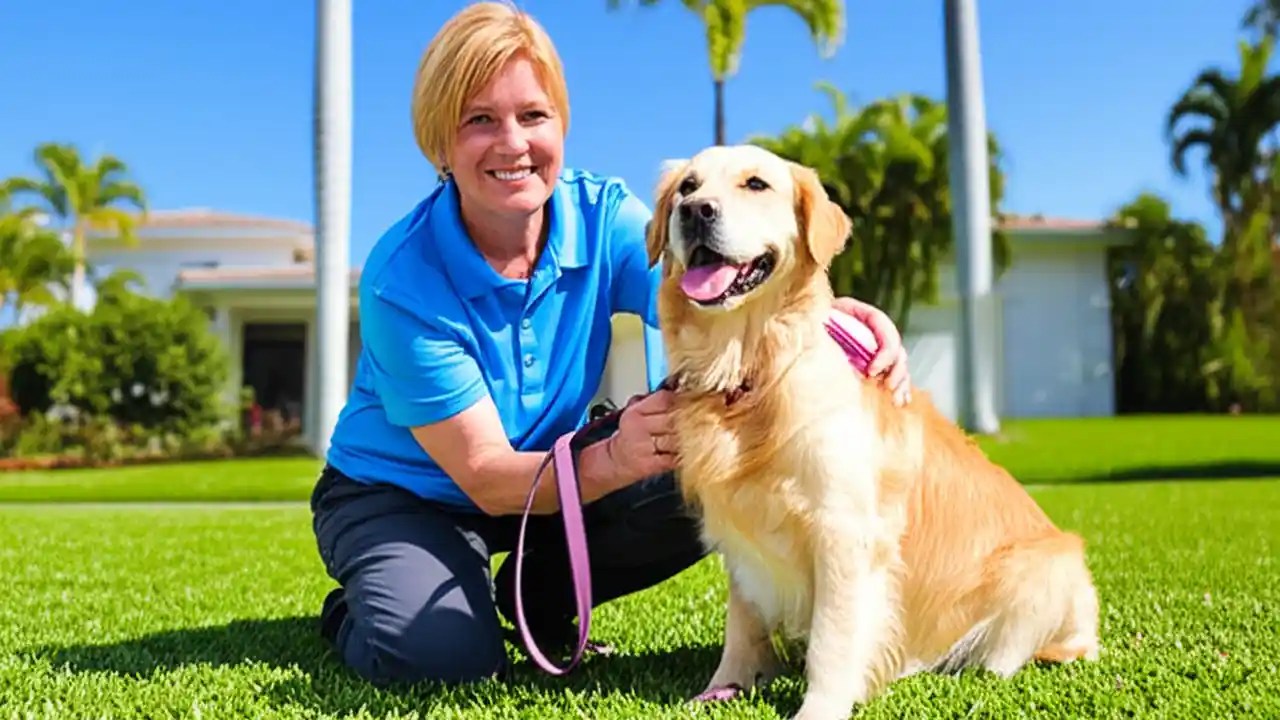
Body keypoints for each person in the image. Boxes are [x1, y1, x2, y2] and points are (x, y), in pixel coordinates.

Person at [309, 1, 913, 686]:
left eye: (533, 116)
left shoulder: (604, 218)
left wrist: (837, 315)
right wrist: (615, 458)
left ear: (560, 125)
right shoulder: (402, 280)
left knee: (711, 461)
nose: (513, 144)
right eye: (480, 120)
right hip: (408, 496)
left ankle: (532, 601)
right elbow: (481, 473)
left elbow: (720, 287)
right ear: (439, 142)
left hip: (544, 478)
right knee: (444, 661)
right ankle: (360, 606)